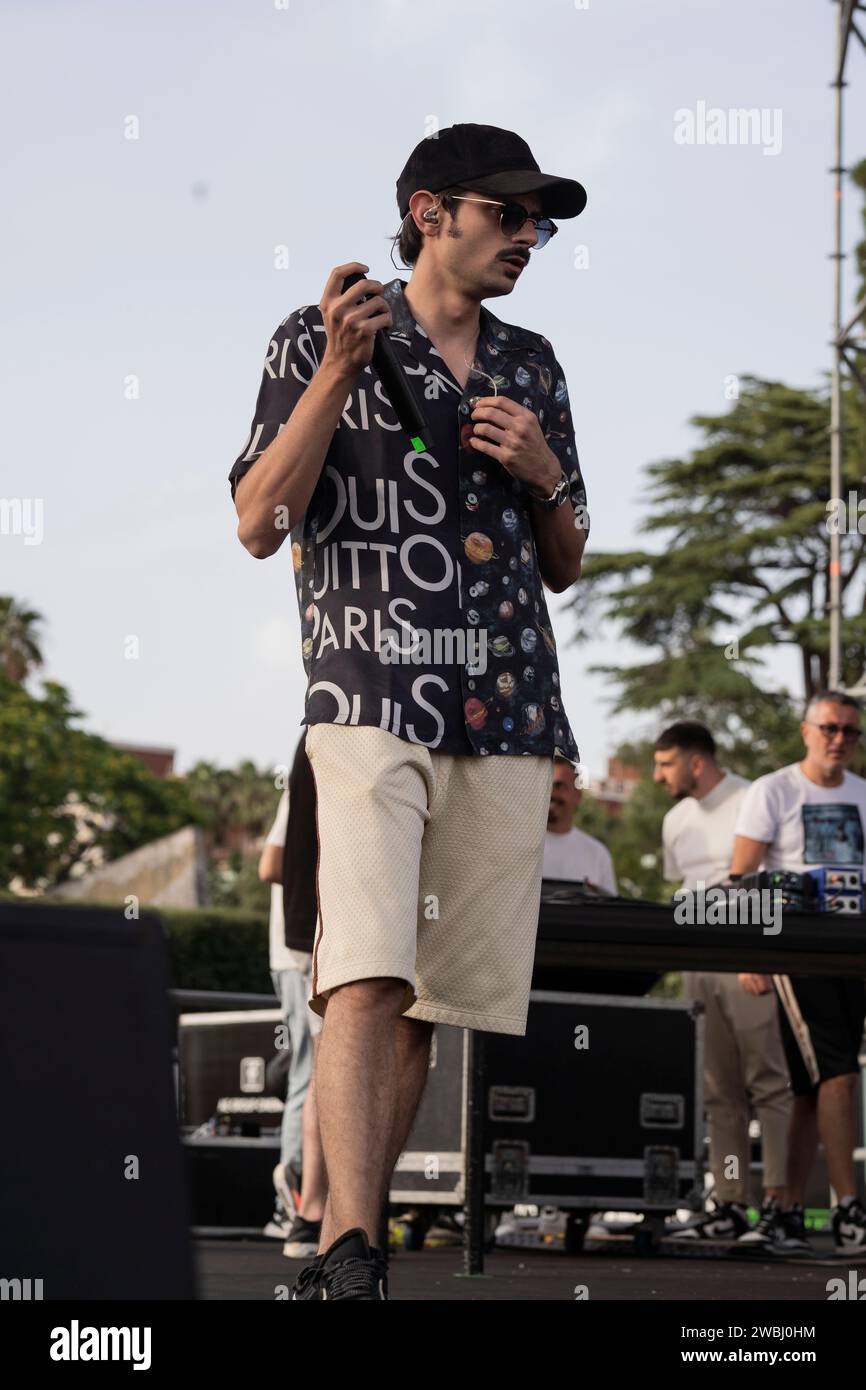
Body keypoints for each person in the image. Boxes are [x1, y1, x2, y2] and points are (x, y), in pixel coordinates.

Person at [229, 123, 589, 1299]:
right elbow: (254, 521)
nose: (530, 238)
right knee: (364, 973)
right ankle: (348, 1250)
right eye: (510, 215)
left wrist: (544, 478)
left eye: (540, 220)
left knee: (424, 996)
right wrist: (335, 371)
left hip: (505, 706)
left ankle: (353, 1239)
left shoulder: (532, 364)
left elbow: (565, 561)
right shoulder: (320, 333)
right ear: (431, 211)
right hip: (370, 688)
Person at [731, 691, 866, 1255]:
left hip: (853, 953)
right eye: (830, 728)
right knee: (838, 1071)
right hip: (796, 952)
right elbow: (740, 877)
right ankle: (848, 1210)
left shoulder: (863, 795)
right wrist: (749, 953)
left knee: (812, 1085)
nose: (839, 740)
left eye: (850, 732)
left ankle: (784, 1211)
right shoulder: (775, 790)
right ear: (807, 731)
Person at [654, 721, 791, 1243]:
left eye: (666, 763)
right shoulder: (674, 820)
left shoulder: (751, 798)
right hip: (698, 962)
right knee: (718, 1092)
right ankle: (732, 1204)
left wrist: (757, 954)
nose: (657, 775)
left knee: (769, 1082)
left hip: (746, 958)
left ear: (696, 763)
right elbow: (687, 889)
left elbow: (765, 882)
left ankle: (781, 1206)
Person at [257, 738, 326, 1258]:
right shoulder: (307, 780)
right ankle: (293, 1199)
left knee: (318, 1071)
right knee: (308, 1071)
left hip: (314, 948)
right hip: (299, 952)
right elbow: (269, 866)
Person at [543, 755, 617, 891]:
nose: (550, 793)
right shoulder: (516, 845)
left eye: (559, 786)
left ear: (577, 796)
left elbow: (609, 909)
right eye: (545, 785)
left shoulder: (598, 855)